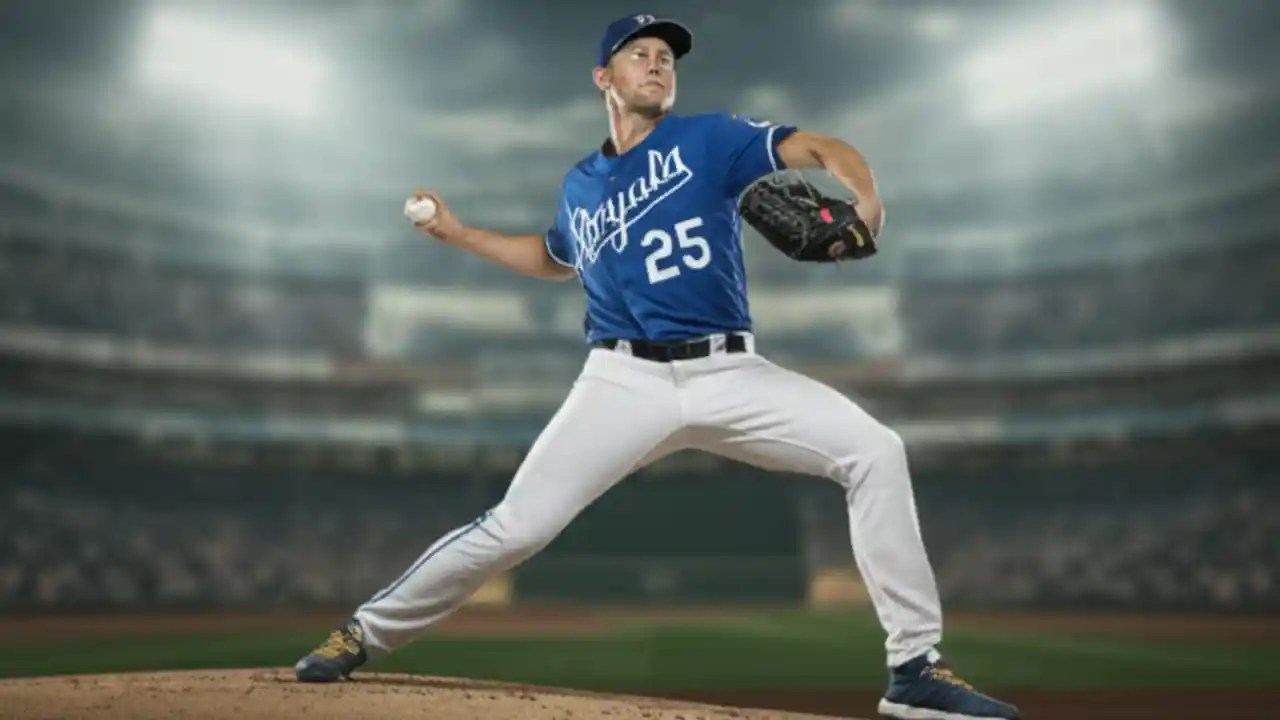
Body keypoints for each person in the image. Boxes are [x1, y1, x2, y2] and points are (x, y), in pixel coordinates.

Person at [295, 13, 1019, 720]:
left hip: (730, 372)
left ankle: (914, 669)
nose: (657, 63)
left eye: (665, 55)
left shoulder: (712, 140)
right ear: (603, 77)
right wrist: (458, 235)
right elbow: (553, 258)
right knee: (517, 526)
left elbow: (824, 147)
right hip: (620, 381)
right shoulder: (580, 184)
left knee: (876, 452)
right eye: (638, 53)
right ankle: (365, 630)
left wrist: (867, 199)